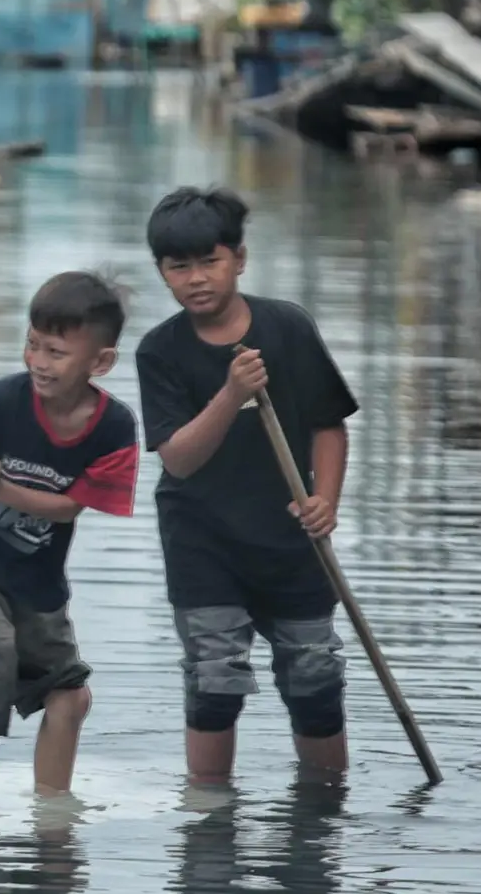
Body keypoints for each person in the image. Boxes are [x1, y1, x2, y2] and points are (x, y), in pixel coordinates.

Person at [134, 187, 358, 784]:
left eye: (210, 261)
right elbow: (178, 459)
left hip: (291, 537)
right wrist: (231, 394)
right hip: (202, 541)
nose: (197, 278)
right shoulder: (159, 351)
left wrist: (325, 502)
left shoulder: (286, 327)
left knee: (314, 677)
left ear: (239, 258)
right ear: (162, 273)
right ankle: (209, 819)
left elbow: (327, 426)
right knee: (215, 678)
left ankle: (323, 810)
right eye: (179, 267)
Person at [0, 272, 141, 806]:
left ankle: (52, 811)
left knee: (69, 694)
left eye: (57, 352)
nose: (39, 362)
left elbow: (71, 505)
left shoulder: (113, 428)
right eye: (32, 345)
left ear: (100, 362)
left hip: (36, 575)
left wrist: (1, 486)